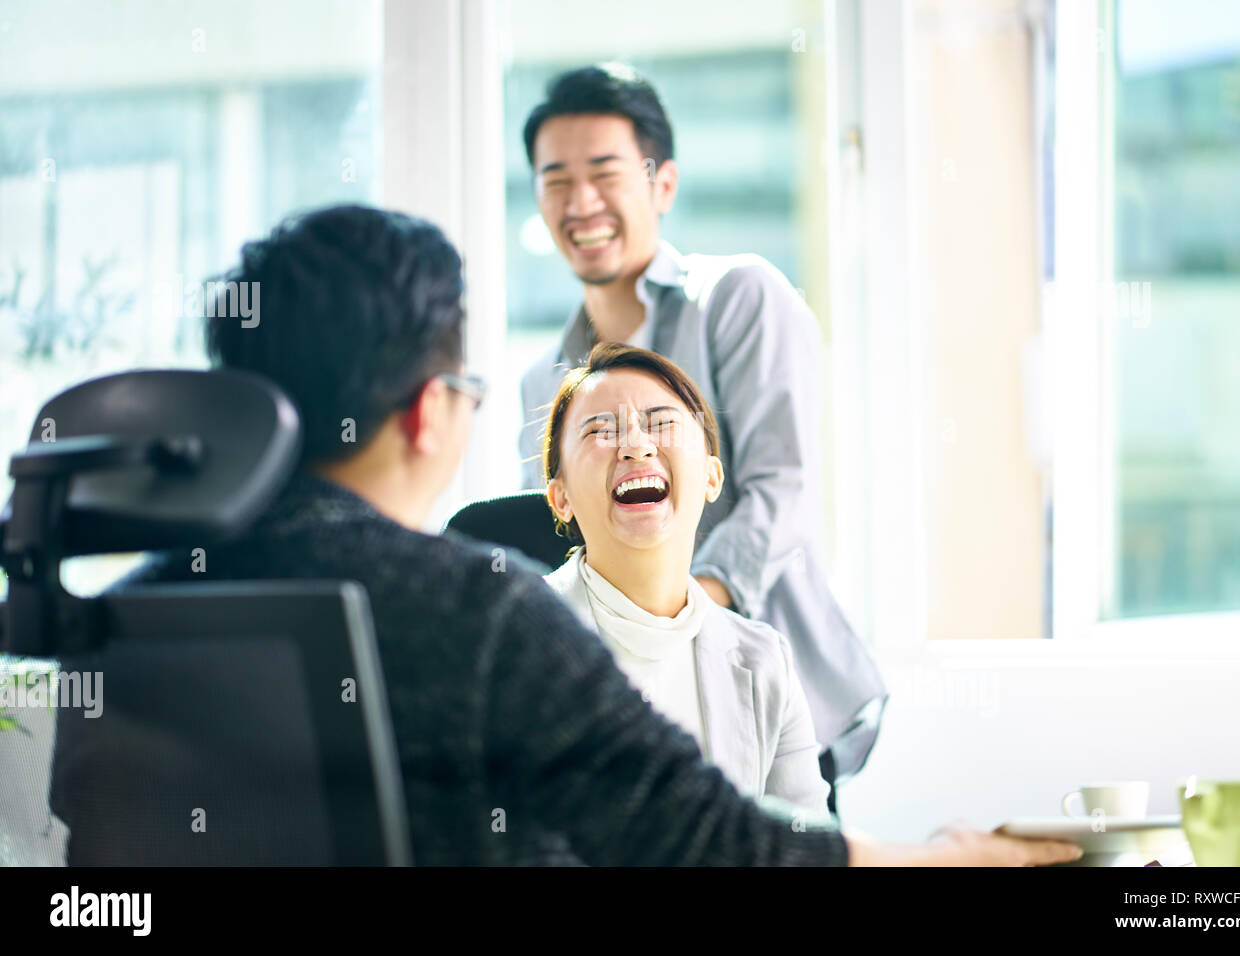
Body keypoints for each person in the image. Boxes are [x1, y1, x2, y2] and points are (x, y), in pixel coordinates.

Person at [57, 204, 1078, 866]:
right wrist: (958, 857)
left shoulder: (128, 610)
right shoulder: (478, 609)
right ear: (428, 412)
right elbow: (713, 848)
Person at [517, 64, 886, 796]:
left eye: (604, 172)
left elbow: (783, 492)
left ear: (662, 186)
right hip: (617, 719)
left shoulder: (738, 297)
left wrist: (679, 625)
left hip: (776, 705)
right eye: (555, 179)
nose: (580, 201)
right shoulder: (544, 380)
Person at [542, 343, 827, 814]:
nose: (636, 445)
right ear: (560, 497)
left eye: (662, 423)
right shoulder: (510, 643)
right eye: (600, 430)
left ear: (713, 477)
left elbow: (809, 844)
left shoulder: (765, 664)